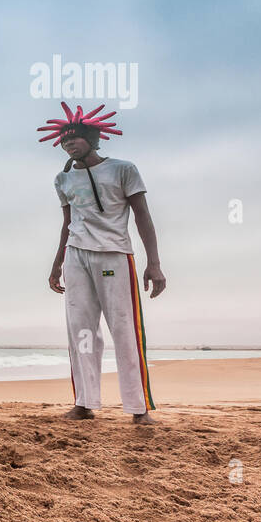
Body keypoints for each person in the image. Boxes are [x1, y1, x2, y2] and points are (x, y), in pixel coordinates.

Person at [40, 104, 164, 424]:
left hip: (113, 255)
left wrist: (154, 263)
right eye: (65, 139)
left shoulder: (124, 169)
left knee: (124, 329)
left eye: (76, 137)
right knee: (81, 330)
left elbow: (143, 217)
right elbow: (68, 224)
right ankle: (84, 403)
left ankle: (139, 408)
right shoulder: (63, 179)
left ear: (93, 137)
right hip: (76, 257)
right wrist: (56, 266)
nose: (70, 142)